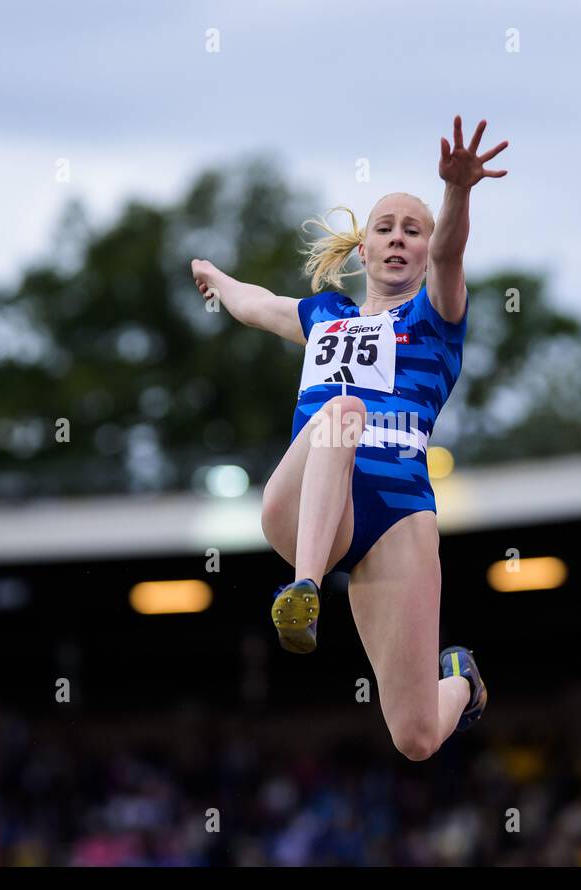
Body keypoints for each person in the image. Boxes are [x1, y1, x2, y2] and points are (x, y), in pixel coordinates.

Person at [190, 116, 507, 761]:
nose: (398, 240)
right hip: (306, 510)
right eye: (384, 230)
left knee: (416, 738)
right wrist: (217, 280)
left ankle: (463, 684)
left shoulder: (436, 316)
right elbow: (259, 305)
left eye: (412, 232)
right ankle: (304, 590)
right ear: (362, 250)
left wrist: (457, 193)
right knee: (338, 411)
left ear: (425, 250)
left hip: (396, 516)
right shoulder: (324, 315)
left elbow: (453, 254)